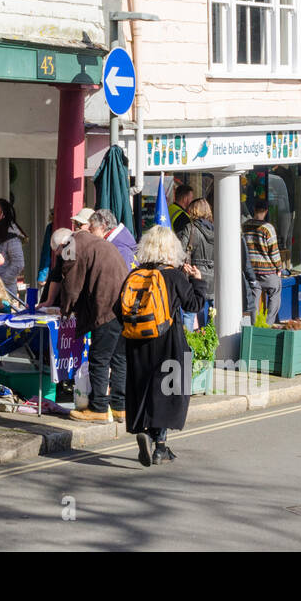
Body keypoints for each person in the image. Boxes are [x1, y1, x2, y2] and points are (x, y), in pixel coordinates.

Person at [124, 225, 207, 466]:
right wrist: (197, 281)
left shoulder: (134, 275)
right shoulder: (173, 275)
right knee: (168, 390)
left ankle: (148, 434)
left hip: (136, 341)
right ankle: (158, 443)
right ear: (171, 249)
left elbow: (120, 310)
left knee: (143, 388)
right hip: (167, 340)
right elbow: (192, 305)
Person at [58, 222, 130, 424]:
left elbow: (71, 285)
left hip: (105, 307)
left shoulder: (71, 245)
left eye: (58, 253)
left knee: (99, 359)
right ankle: (119, 407)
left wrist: (65, 309)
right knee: (118, 359)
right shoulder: (96, 243)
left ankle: (98, 408)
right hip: (122, 305)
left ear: (62, 245)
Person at [242, 200, 283, 323]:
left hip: (250, 271)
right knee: (276, 291)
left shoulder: (245, 225)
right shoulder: (268, 228)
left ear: (254, 210)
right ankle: (268, 324)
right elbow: (274, 252)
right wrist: (279, 268)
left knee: (254, 296)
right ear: (266, 211)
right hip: (267, 271)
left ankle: (255, 324)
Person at [177, 198, 215, 327]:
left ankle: (190, 345)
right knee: (212, 313)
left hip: (194, 274)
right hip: (214, 276)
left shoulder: (190, 228)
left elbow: (181, 252)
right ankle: (209, 344)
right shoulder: (217, 230)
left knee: (191, 312)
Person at [0, 198, 27, 300]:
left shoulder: (12, 235)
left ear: (2, 214)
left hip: (4, 290)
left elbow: (18, 264)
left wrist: (0, 280)